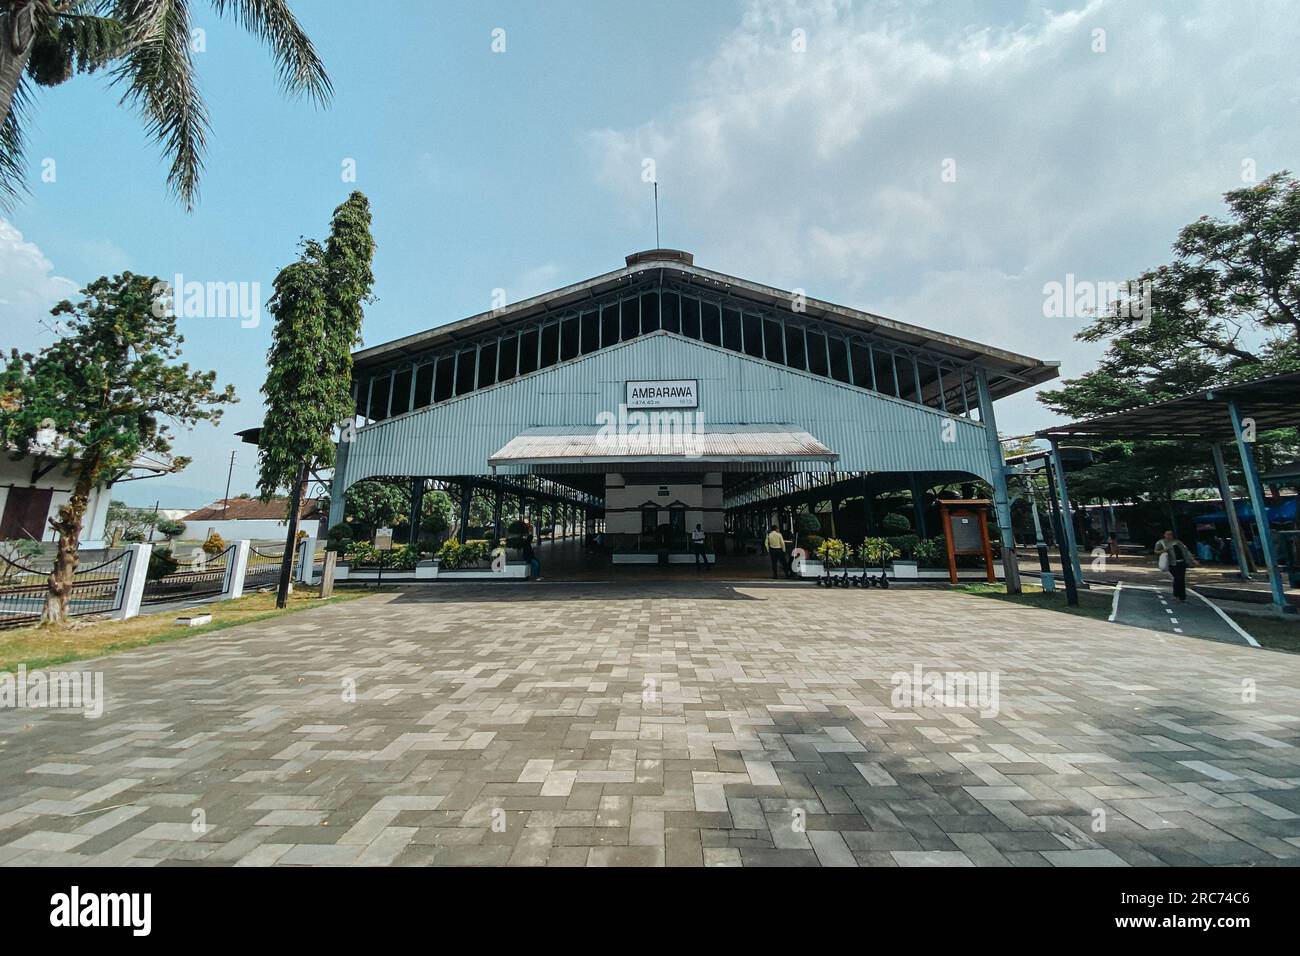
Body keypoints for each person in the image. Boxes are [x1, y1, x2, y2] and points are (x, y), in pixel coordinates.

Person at [1154, 530, 1194, 601]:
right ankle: (1176, 594)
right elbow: (1156, 551)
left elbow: (1185, 551)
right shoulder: (1161, 542)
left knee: (1181, 579)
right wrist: (1163, 550)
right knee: (1177, 578)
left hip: (1181, 562)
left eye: (1170, 535)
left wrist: (1191, 560)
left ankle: (1182, 596)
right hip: (1171, 563)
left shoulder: (1178, 542)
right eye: (1167, 534)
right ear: (1164, 535)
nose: (1169, 536)